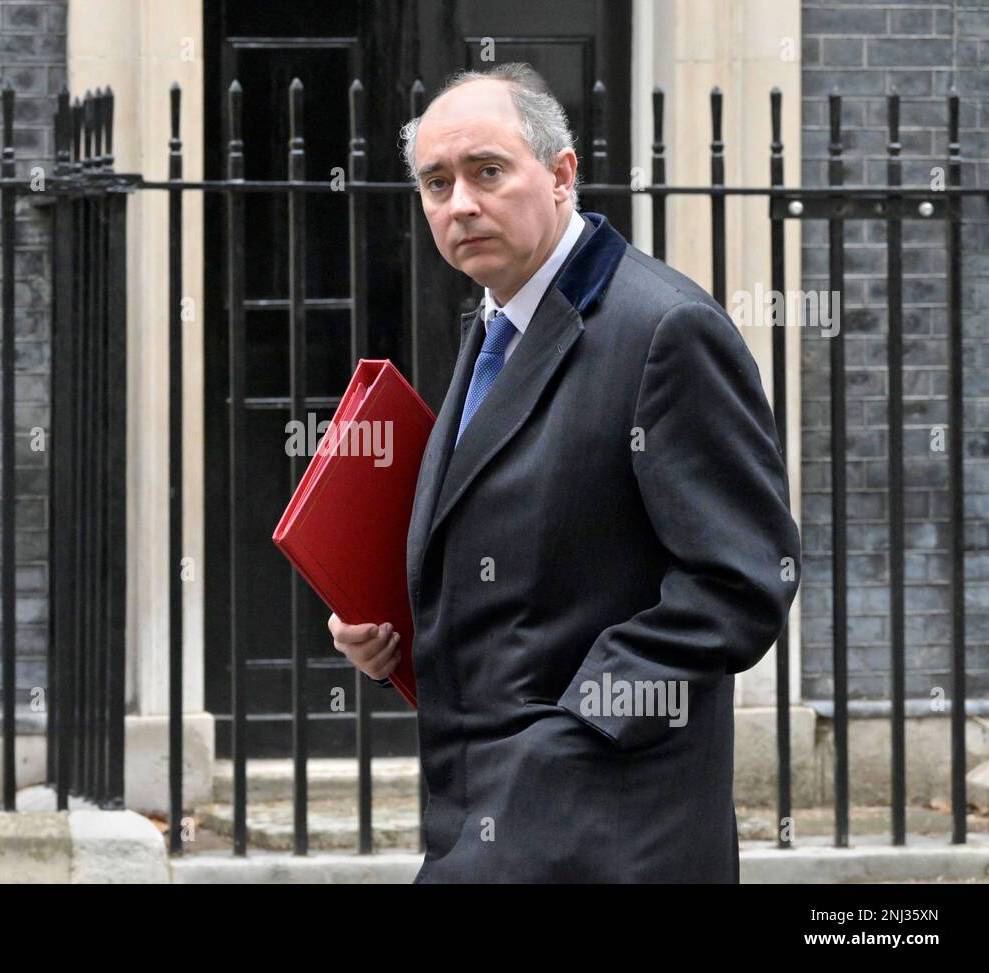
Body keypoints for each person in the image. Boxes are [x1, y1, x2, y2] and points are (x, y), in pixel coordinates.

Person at [327, 62, 801, 883]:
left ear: (560, 174)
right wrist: (392, 631)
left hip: (609, 829)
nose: (460, 203)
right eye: (436, 183)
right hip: (484, 818)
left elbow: (743, 577)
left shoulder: (666, 328)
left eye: (486, 171)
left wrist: (575, 733)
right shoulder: (492, 321)